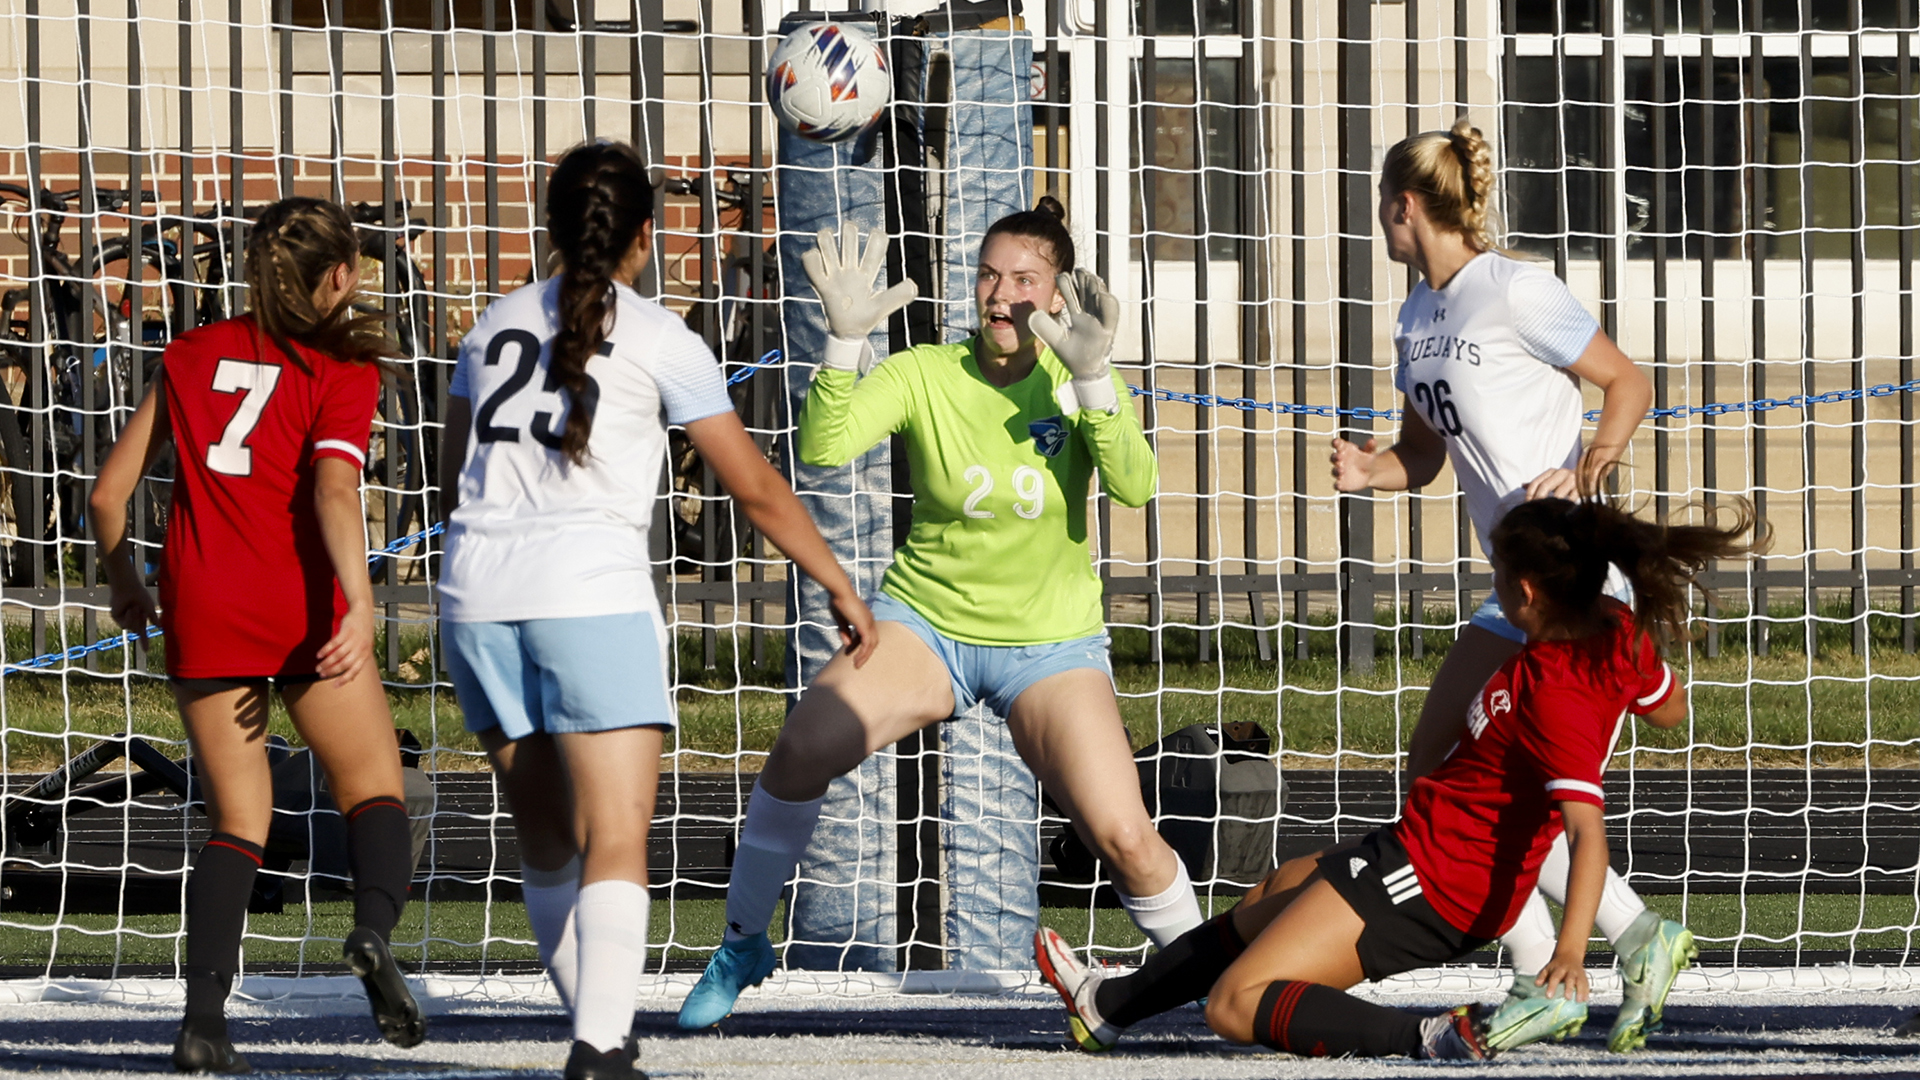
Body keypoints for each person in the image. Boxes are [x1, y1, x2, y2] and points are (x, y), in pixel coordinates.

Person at [674, 198, 1203, 1029]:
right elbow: (820, 446)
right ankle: (742, 943)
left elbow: (1136, 484)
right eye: (989, 277)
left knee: (1128, 838)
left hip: (1049, 646)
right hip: (927, 627)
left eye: (1023, 281)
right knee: (800, 749)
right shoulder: (927, 371)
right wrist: (842, 344)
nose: (1000, 296)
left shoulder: (1076, 375)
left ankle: (1211, 977)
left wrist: (1096, 383)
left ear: (1057, 295)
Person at [435, 140, 877, 1080]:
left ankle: (601, 1036)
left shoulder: (488, 327)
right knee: (618, 835)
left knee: (549, 840)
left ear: (551, 227)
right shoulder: (660, 336)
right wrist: (837, 581)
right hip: (587, 597)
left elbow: (450, 476)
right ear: (647, 232)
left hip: (475, 594)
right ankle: (599, 1049)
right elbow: (753, 486)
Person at [1035, 496, 1765, 1060]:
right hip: (1425, 849)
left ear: (1531, 592)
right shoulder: (1613, 629)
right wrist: (1634, 669)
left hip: (1438, 882)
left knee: (1236, 1003)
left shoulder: (1557, 691)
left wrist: (1571, 952)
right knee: (1276, 890)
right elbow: (1668, 710)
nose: (1497, 588)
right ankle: (1108, 1007)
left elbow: (1587, 836)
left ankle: (1430, 1037)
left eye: (1500, 578)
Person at [1325, 118, 1686, 1053]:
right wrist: (1372, 472)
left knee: (1495, 792)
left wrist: (1591, 464)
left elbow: (1628, 383)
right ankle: (1635, 936)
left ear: (1407, 208)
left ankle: (1547, 977)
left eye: (1381, 210)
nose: (1379, 225)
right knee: (1436, 768)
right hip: (1510, 592)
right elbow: (1423, 456)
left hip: (1565, 584)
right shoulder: (1415, 316)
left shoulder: (1517, 290)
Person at [91, 197, 424, 1073]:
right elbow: (334, 493)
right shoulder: (343, 368)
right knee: (374, 790)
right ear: (342, 276)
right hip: (300, 603)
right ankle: (371, 931)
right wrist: (357, 602)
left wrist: (127, 581)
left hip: (203, 602)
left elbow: (105, 497)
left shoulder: (191, 354)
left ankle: (203, 1021)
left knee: (239, 817)